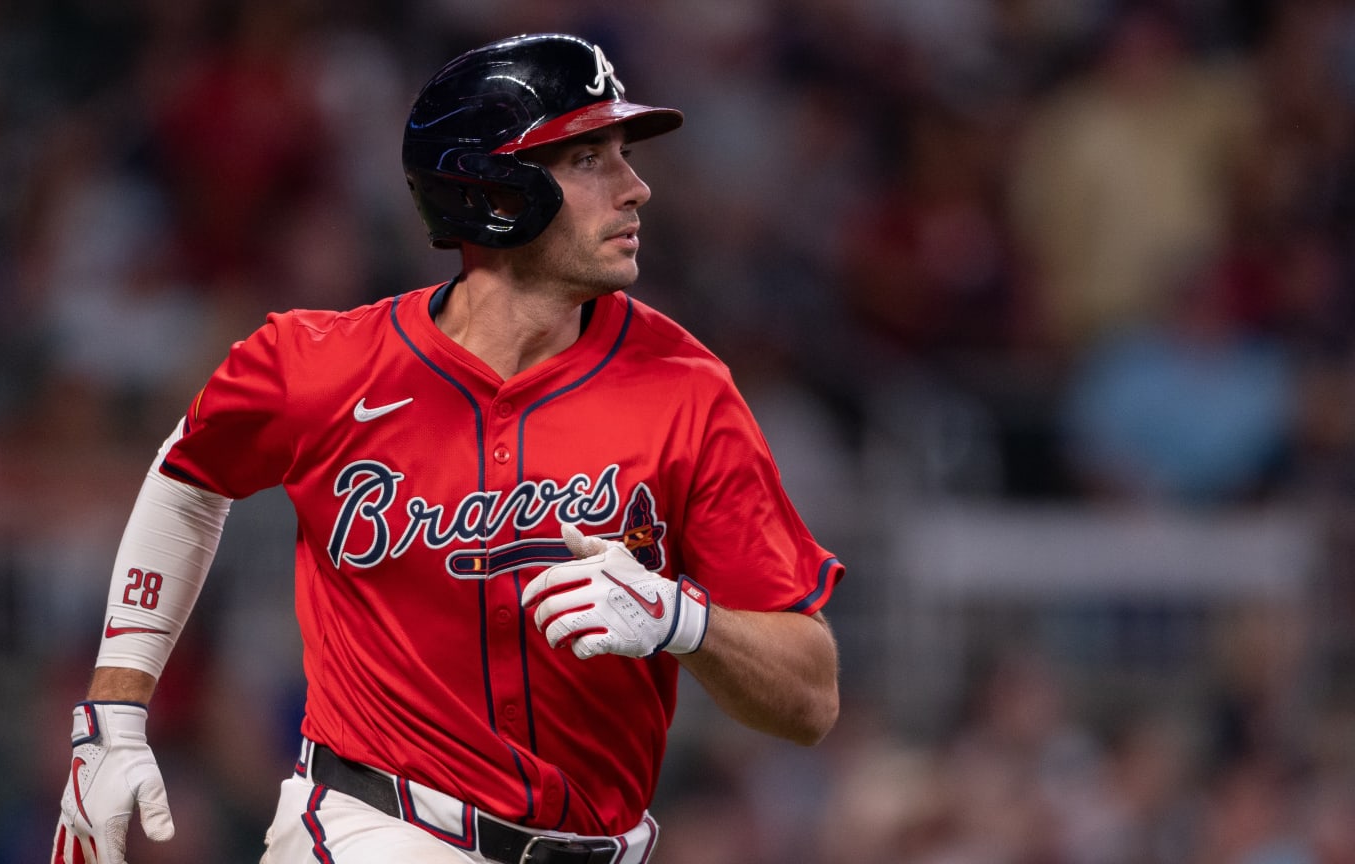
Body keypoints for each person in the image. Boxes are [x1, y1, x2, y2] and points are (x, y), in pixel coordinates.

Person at [50, 32, 843, 864]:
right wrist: (115, 709)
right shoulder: (321, 364)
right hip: (376, 829)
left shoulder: (686, 388)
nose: (636, 187)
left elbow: (811, 696)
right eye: (588, 160)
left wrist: (687, 620)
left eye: (624, 155)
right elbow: (187, 479)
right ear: (491, 188)